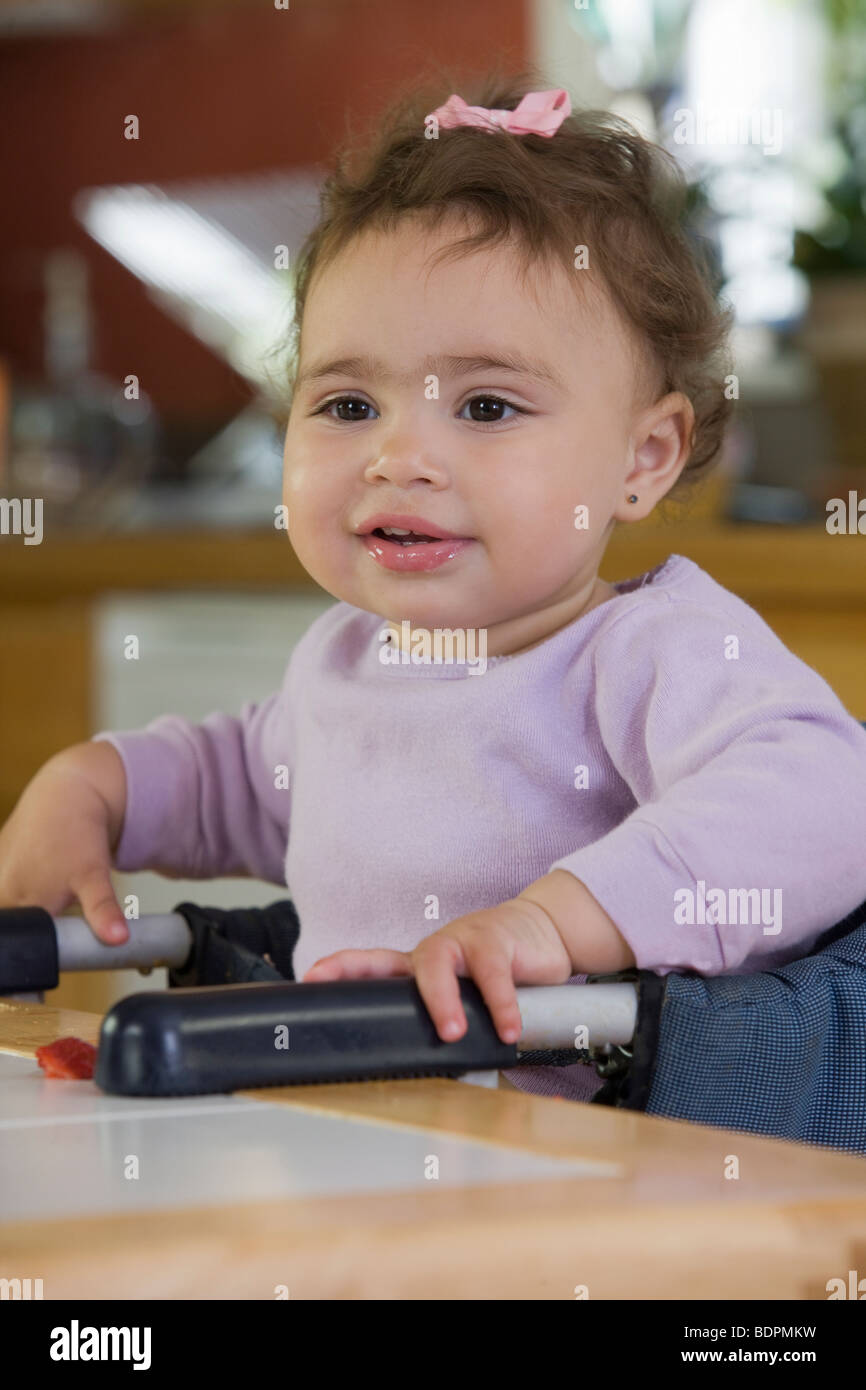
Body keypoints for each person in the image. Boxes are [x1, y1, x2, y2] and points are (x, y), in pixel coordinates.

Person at [4, 71, 866, 1105]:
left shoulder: (648, 649)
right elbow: (232, 777)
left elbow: (827, 800)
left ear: (641, 459)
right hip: (370, 1157)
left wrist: (554, 919)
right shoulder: (342, 662)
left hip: (601, 1184)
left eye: (488, 406)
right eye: (348, 401)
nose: (397, 455)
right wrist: (91, 785)